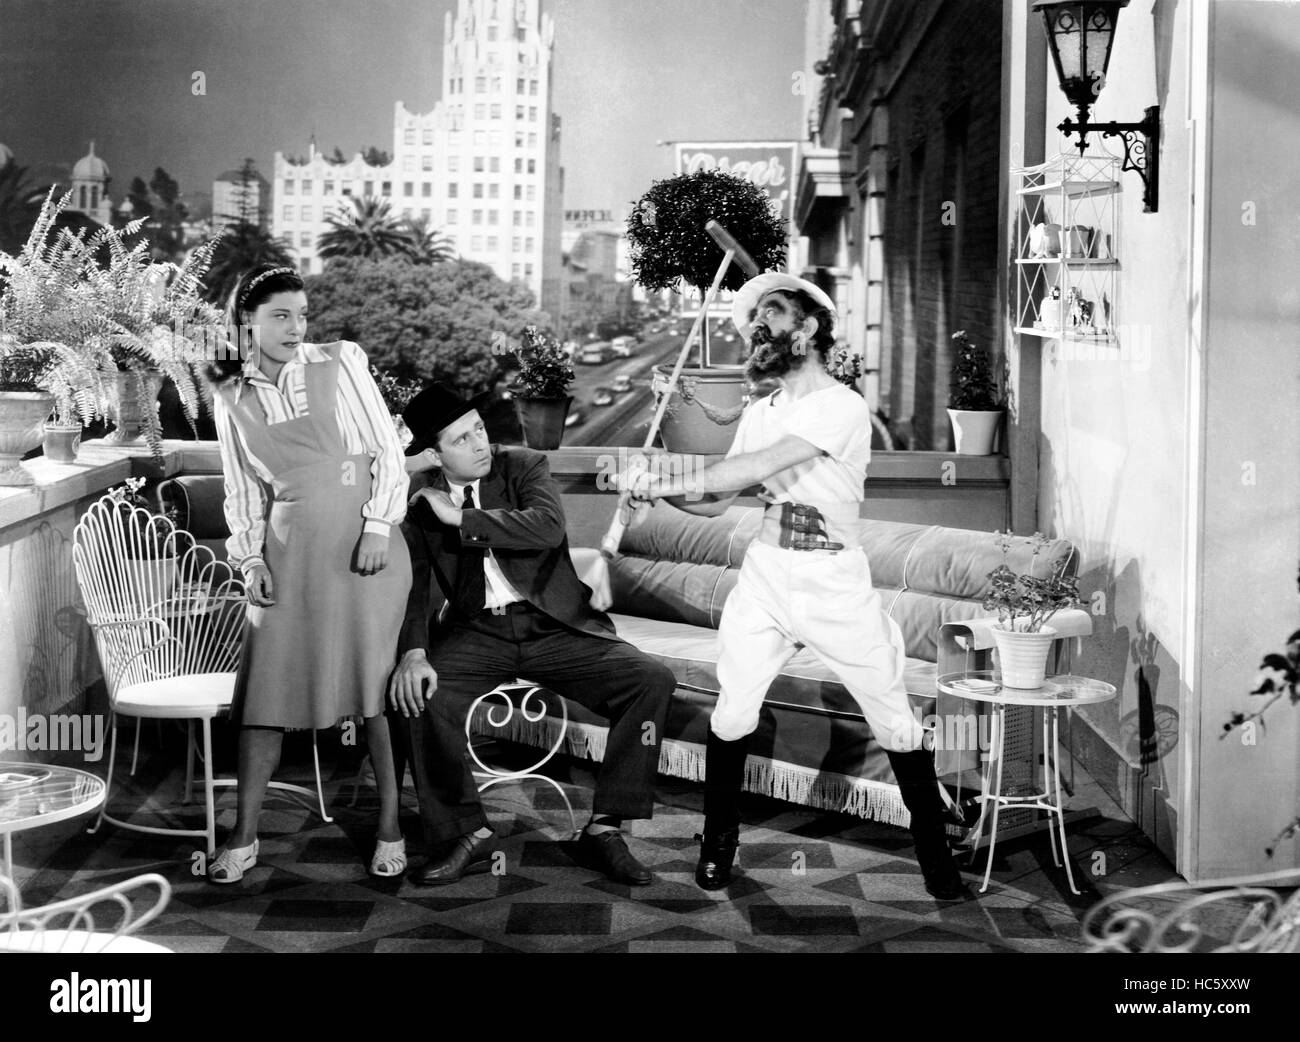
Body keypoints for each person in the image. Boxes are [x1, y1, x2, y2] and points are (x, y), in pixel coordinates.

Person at [625, 273, 968, 901]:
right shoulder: (761, 411)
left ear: (808, 329)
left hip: (832, 580)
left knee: (893, 720)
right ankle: (718, 845)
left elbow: (757, 467)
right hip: (765, 575)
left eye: (773, 314)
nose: (759, 327)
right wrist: (656, 491)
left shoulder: (841, 406)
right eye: (754, 319)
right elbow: (718, 498)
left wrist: (667, 479)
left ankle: (936, 861)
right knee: (732, 711)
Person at [388, 384, 676, 886]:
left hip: (554, 625)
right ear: (434, 454)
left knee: (649, 679)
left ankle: (604, 829)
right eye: (461, 439)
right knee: (420, 696)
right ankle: (466, 834)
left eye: (479, 428)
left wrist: (461, 517)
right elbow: (413, 584)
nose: (480, 443)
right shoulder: (420, 498)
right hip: (476, 632)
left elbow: (545, 527)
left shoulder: (522, 465)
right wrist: (414, 652)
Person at [205, 264, 413, 883]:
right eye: (280, 315)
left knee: (375, 692)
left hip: (364, 548)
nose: (297, 327)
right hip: (288, 555)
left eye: (301, 313)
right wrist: (249, 561)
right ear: (246, 322)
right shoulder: (229, 396)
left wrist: (378, 525)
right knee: (263, 695)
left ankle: (390, 826)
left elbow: (386, 451)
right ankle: (243, 837)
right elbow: (241, 492)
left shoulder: (341, 360)